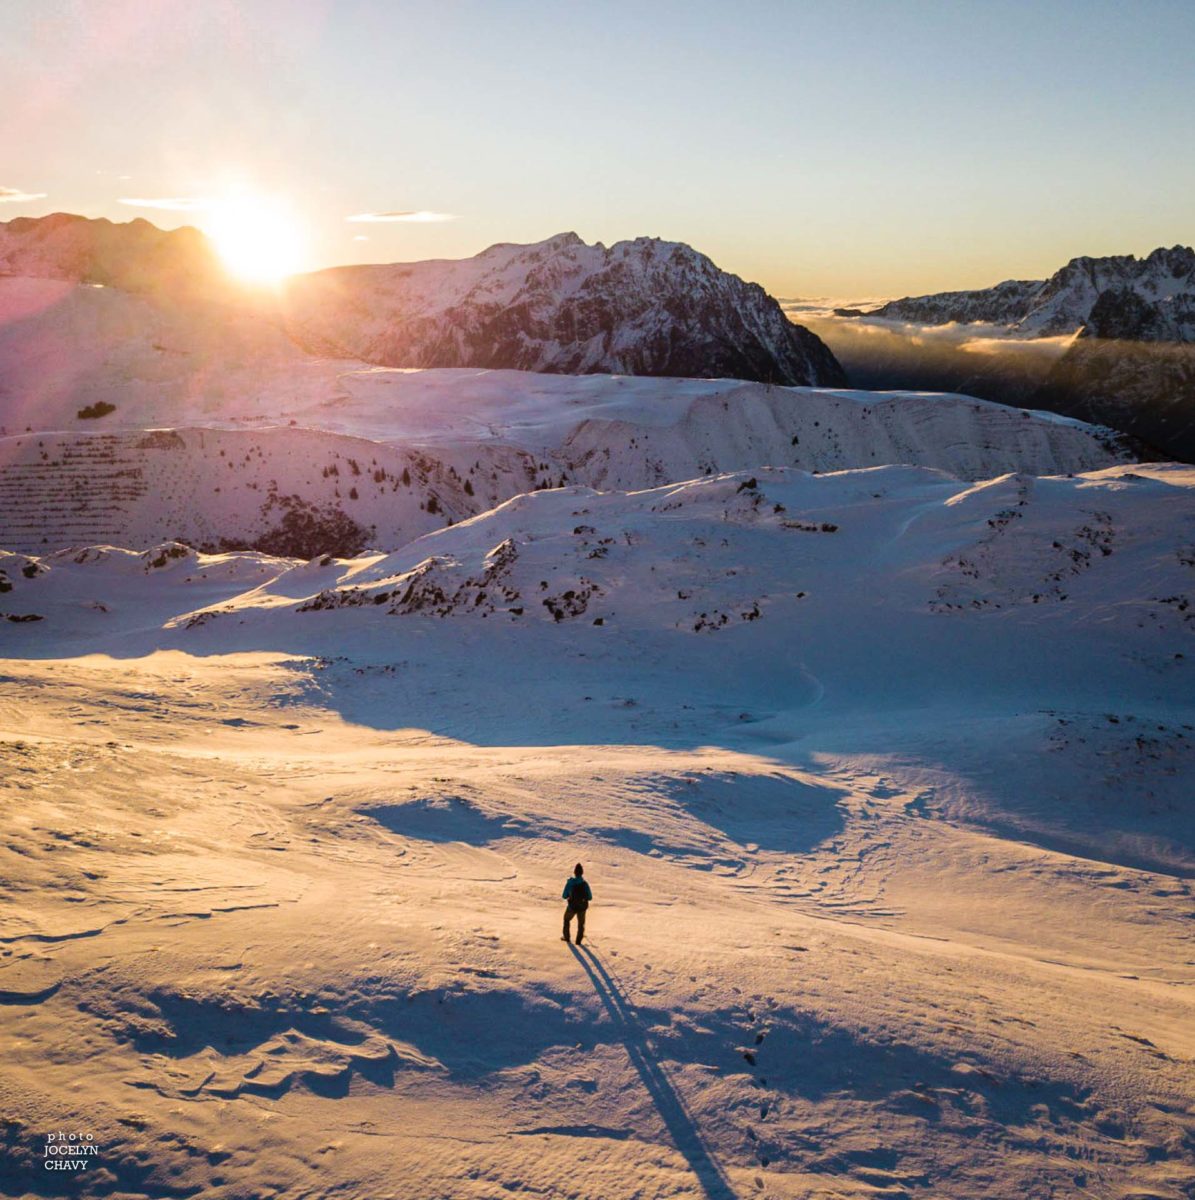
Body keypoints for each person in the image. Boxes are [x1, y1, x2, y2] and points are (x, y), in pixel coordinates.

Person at [561, 862, 592, 944]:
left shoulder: (570, 883)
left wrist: (569, 896)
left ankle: (566, 937)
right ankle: (578, 941)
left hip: (572, 906)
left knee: (566, 919)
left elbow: (564, 896)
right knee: (581, 923)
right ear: (582, 873)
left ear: (575, 872)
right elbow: (590, 897)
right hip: (582, 907)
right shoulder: (585, 884)